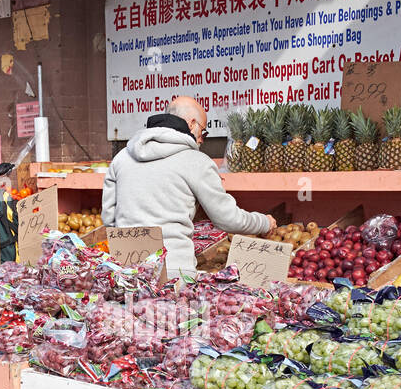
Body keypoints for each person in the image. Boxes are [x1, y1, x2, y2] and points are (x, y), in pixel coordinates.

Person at [103, 96, 276, 277]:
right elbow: (227, 218)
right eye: (203, 132)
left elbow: (109, 217)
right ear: (192, 124)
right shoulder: (196, 161)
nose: (201, 139)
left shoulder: (121, 158)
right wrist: (264, 223)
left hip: (128, 271)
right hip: (174, 273)